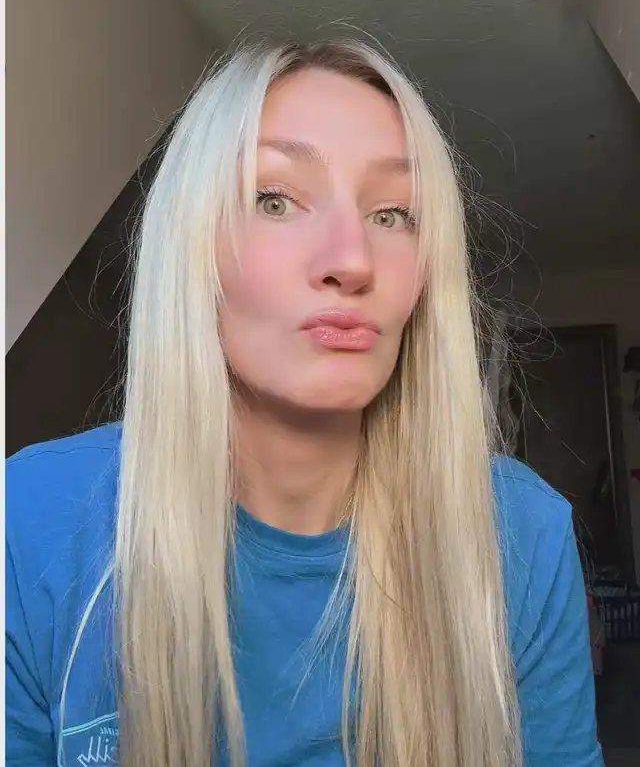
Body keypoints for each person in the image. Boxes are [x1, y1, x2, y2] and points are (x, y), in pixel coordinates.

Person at [5, 40, 603, 767]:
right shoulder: (28, 523)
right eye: (275, 200)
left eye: (394, 213)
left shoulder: (524, 535)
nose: (352, 260)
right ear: (192, 246)